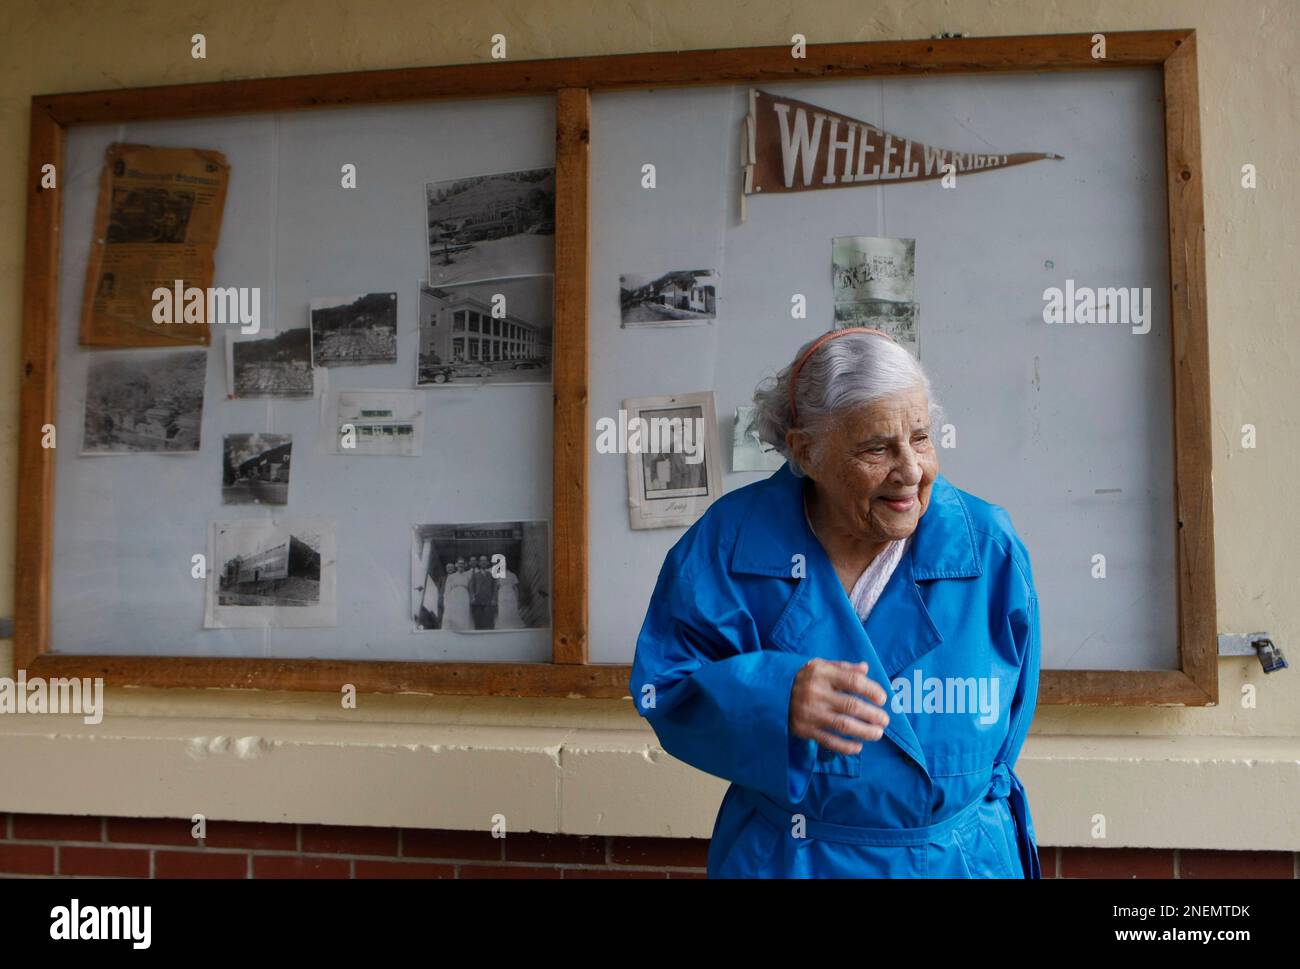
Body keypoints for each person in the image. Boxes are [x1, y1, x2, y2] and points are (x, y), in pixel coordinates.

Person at [629, 327, 1042, 878]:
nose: (911, 471)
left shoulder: (986, 545)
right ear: (807, 452)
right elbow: (665, 687)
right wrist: (774, 698)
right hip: (793, 858)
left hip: (958, 860)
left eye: (921, 438)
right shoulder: (732, 542)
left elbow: (1015, 713)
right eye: (877, 448)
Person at [441, 558, 473, 631]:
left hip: (464, 596)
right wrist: (446, 602)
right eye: (459, 564)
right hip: (454, 597)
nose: (460, 565)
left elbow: (470, 588)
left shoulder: (468, 576)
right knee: (454, 614)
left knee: (464, 613)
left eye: (462, 564)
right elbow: (447, 591)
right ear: (456, 565)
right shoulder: (451, 576)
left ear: (464, 565)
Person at [494, 552, 523, 628]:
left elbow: (515, 588)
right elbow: (496, 588)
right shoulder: (498, 575)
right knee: (503, 610)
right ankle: (504, 626)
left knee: (511, 608)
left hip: (511, 593)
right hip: (501, 594)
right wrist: (496, 599)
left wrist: (518, 599)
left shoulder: (512, 574)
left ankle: (513, 626)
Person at [469, 555, 498, 630]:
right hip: (478, 600)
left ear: (487, 563)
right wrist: (472, 597)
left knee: (488, 620)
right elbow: (471, 587)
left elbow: (494, 588)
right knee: (478, 620)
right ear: (479, 563)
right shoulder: (475, 575)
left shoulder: (491, 575)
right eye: (482, 561)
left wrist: (494, 599)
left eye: (485, 561)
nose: (483, 562)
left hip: (488, 601)